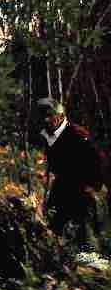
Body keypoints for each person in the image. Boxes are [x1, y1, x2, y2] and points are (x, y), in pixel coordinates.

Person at [33, 98, 102, 249]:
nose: (46, 120)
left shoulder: (77, 134)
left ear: (60, 116)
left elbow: (96, 160)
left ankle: (90, 261)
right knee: (54, 225)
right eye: (43, 116)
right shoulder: (48, 135)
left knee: (83, 228)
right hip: (62, 185)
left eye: (49, 115)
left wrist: (92, 186)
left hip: (81, 187)